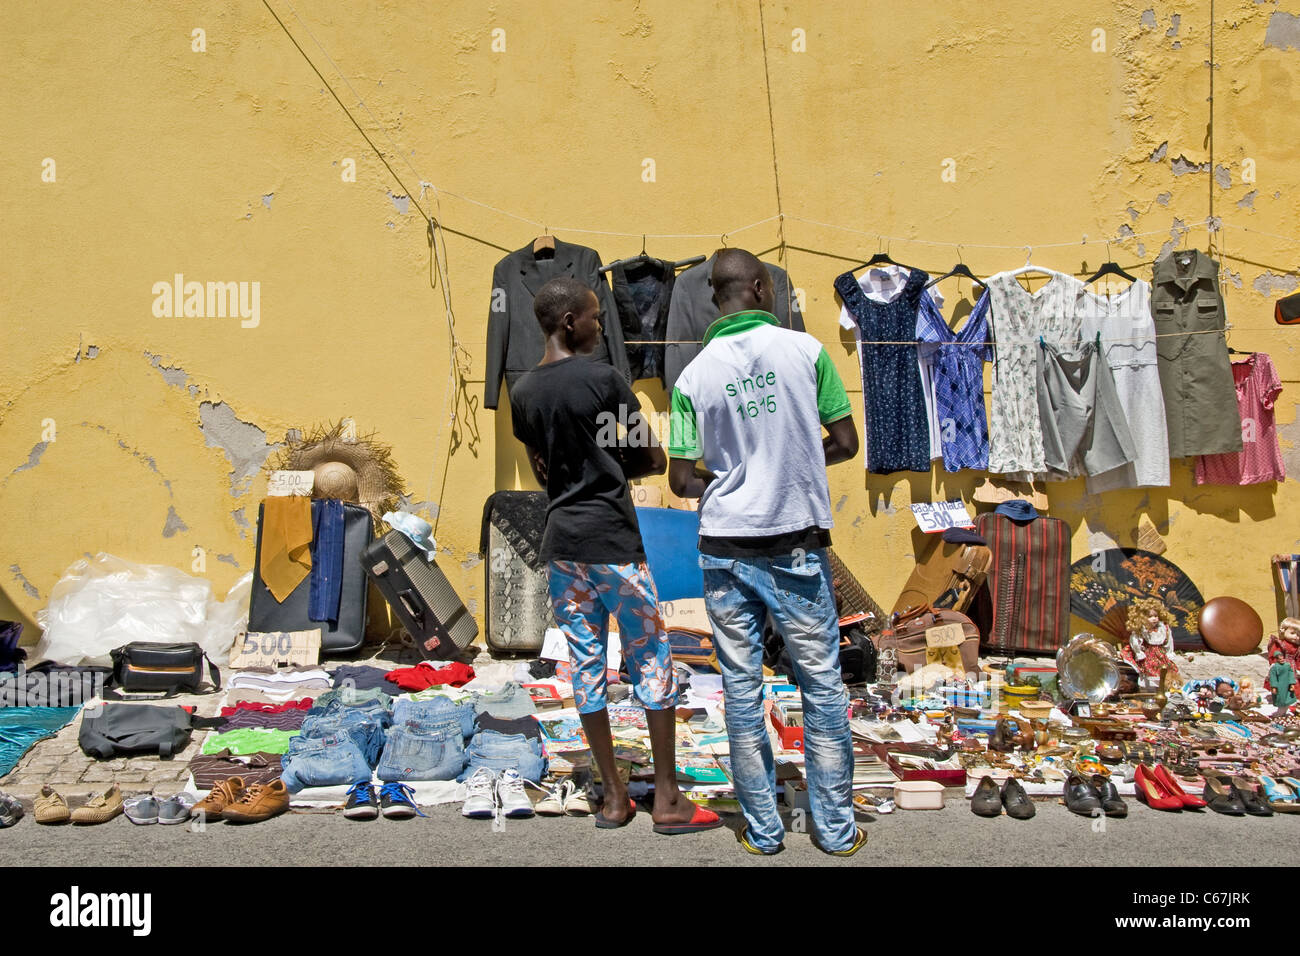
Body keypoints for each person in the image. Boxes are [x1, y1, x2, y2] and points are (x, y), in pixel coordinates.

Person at [666, 248, 866, 856]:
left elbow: (679, 480)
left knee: (742, 688)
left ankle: (762, 830)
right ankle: (835, 830)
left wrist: (735, 481)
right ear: (760, 287)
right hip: (796, 546)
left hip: (724, 548)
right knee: (822, 685)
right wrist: (792, 466)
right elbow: (845, 441)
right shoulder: (806, 353)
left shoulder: (691, 377)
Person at [509, 276, 721, 835]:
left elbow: (539, 466)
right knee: (650, 657)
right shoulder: (604, 380)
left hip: (563, 549)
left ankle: (612, 798)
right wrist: (608, 463)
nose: (602, 326)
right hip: (613, 544)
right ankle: (670, 800)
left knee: (585, 666)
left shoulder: (523, 390)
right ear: (570, 323)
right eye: (595, 316)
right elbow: (651, 456)